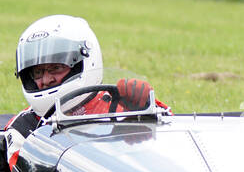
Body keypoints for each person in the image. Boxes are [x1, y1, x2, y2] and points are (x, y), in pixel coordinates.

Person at [9, 14, 167, 135]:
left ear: (84, 63)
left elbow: (169, 140)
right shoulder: (23, 129)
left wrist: (147, 110)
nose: (46, 80)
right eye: (37, 72)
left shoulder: (122, 107)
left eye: (56, 67)